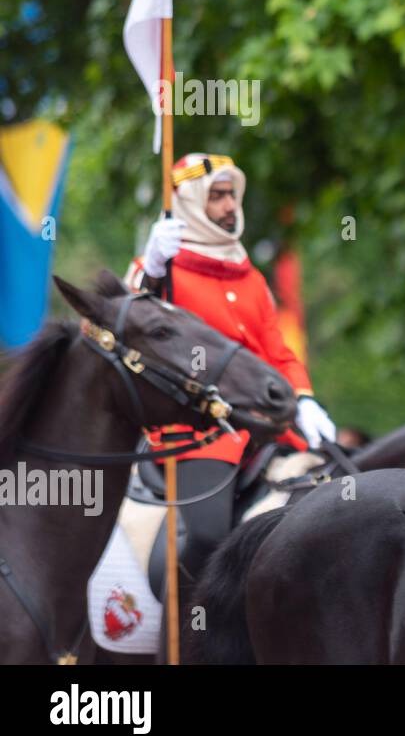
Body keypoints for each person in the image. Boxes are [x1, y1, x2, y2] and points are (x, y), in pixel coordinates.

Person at [127, 153, 336, 602]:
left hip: (270, 427)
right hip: (201, 433)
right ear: (189, 201)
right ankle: (185, 635)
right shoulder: (162, 268)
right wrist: (152, 270)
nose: (229, 206)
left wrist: (303, 398)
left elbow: (278, 351)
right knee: (205, 538)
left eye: (232, 195)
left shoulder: (251, 277)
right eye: (216, 196)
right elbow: (129, 325)